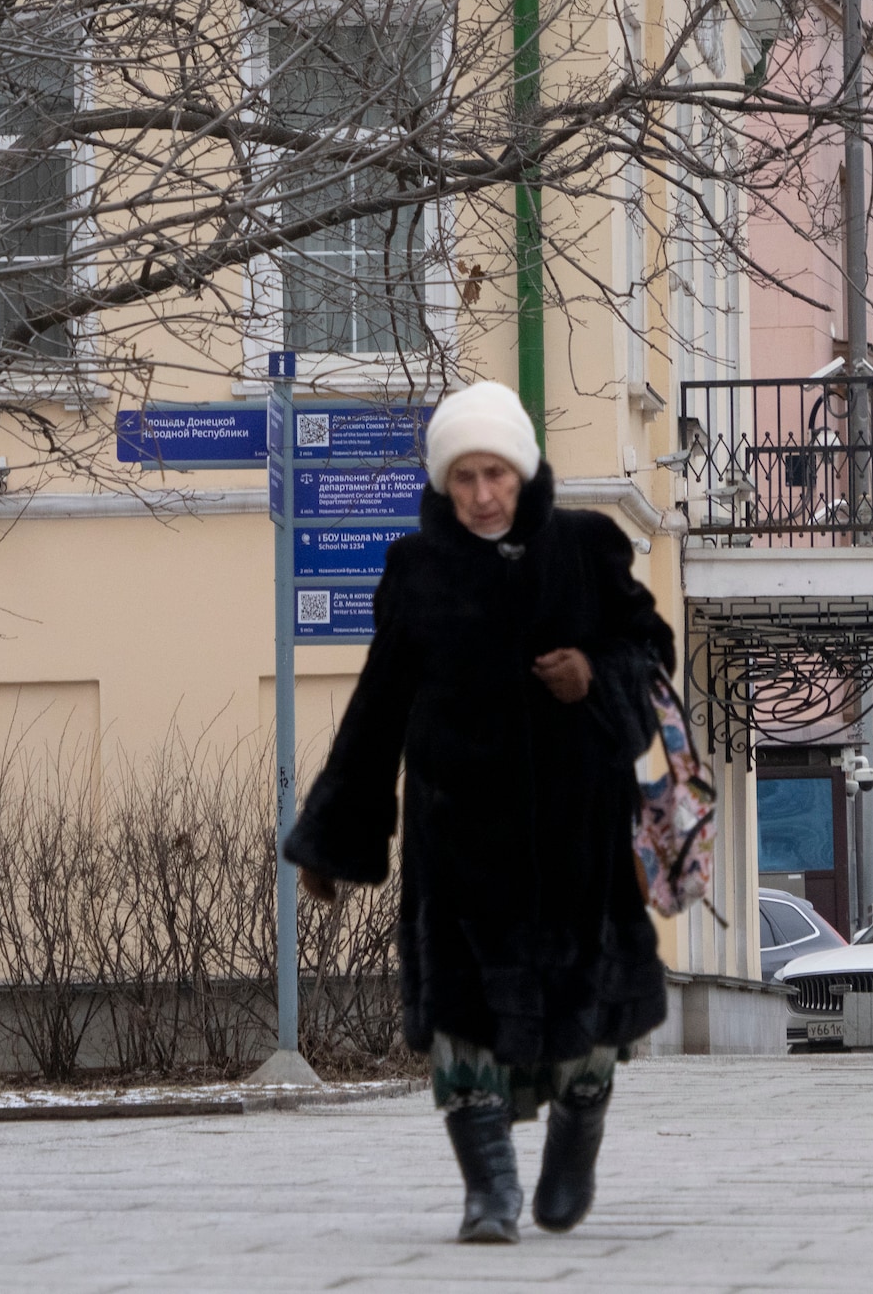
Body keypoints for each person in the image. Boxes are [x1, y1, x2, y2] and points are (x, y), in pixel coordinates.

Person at [285, 380, 674, 1244]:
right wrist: (335, 836)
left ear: (522, 468)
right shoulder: (416, 570)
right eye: (463, 477)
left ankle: (577, 1133)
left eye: (495, 472)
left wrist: (594, 679)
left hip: (579, 843)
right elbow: (378, 704)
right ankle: (488, 1190)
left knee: (590, 1033)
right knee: (465, 1029)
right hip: (459, 844)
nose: (482, 493)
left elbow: (651, 656)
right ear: (443, 482)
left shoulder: (587, 546)